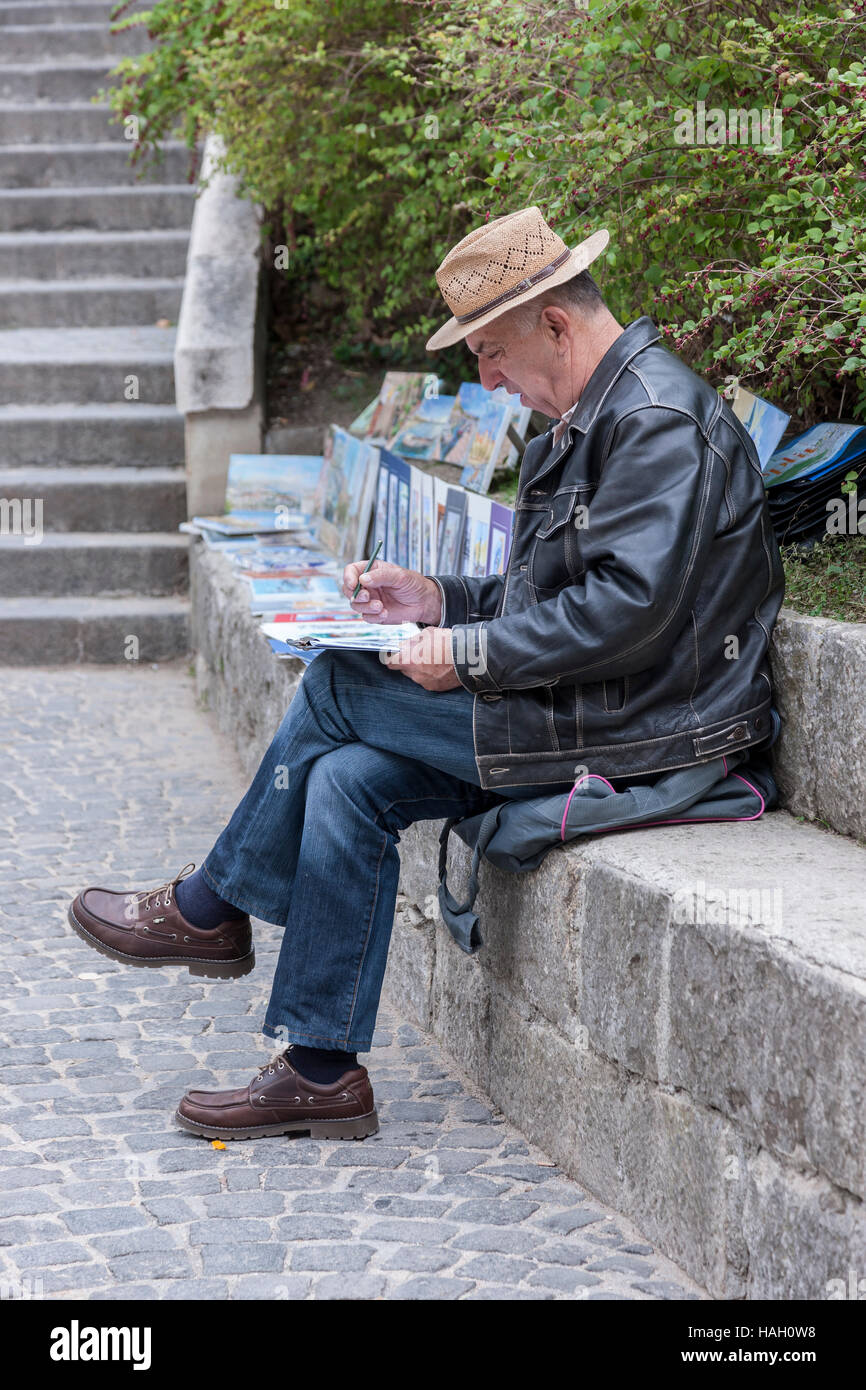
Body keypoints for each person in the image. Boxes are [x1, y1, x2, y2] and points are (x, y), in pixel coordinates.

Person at [68, 206, 785, 1142]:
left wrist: (467, 657)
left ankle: (210, 906)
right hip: (590, 705)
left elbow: (625, 617)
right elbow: (549, 595)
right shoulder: (584, 414)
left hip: (647, 728)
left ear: (558, 325)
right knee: (345, 777)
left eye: (491, 352)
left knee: (335, 688)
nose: (486, 380)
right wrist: (439, 601)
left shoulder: (653, 420)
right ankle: (322, 1072)